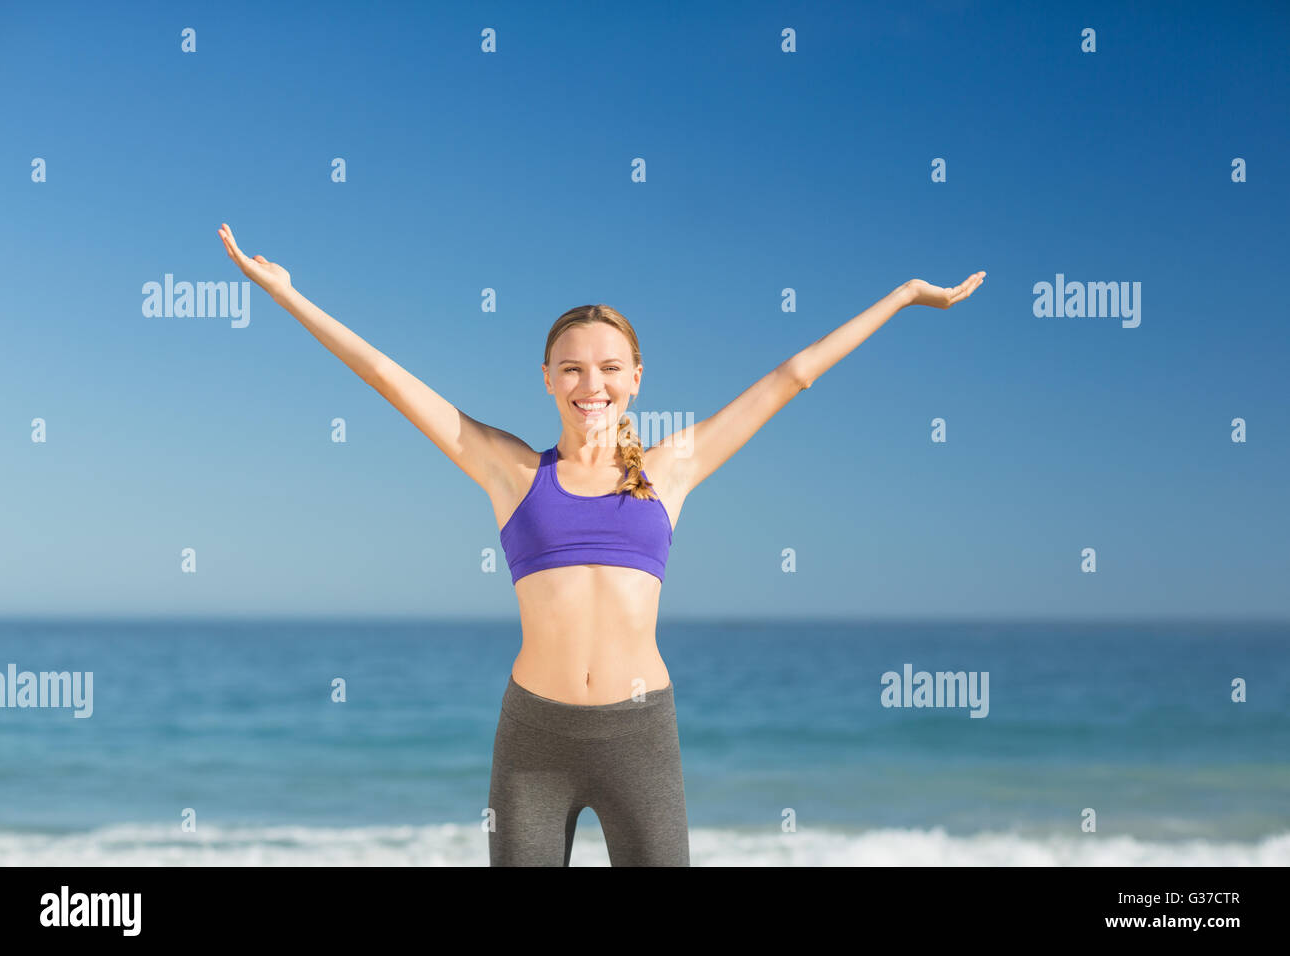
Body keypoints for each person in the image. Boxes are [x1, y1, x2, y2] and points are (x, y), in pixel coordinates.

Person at [217, 222, 984, 865]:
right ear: (547, 379)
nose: (593, 384)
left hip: (640, 736)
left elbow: (791, 377)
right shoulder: (511, 470)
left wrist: (905, 297)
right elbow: (385, 375)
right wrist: (285, 294)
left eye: (610, 368)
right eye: (574, 369)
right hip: (534, 738)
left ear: (638, 377)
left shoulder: (671, 470)